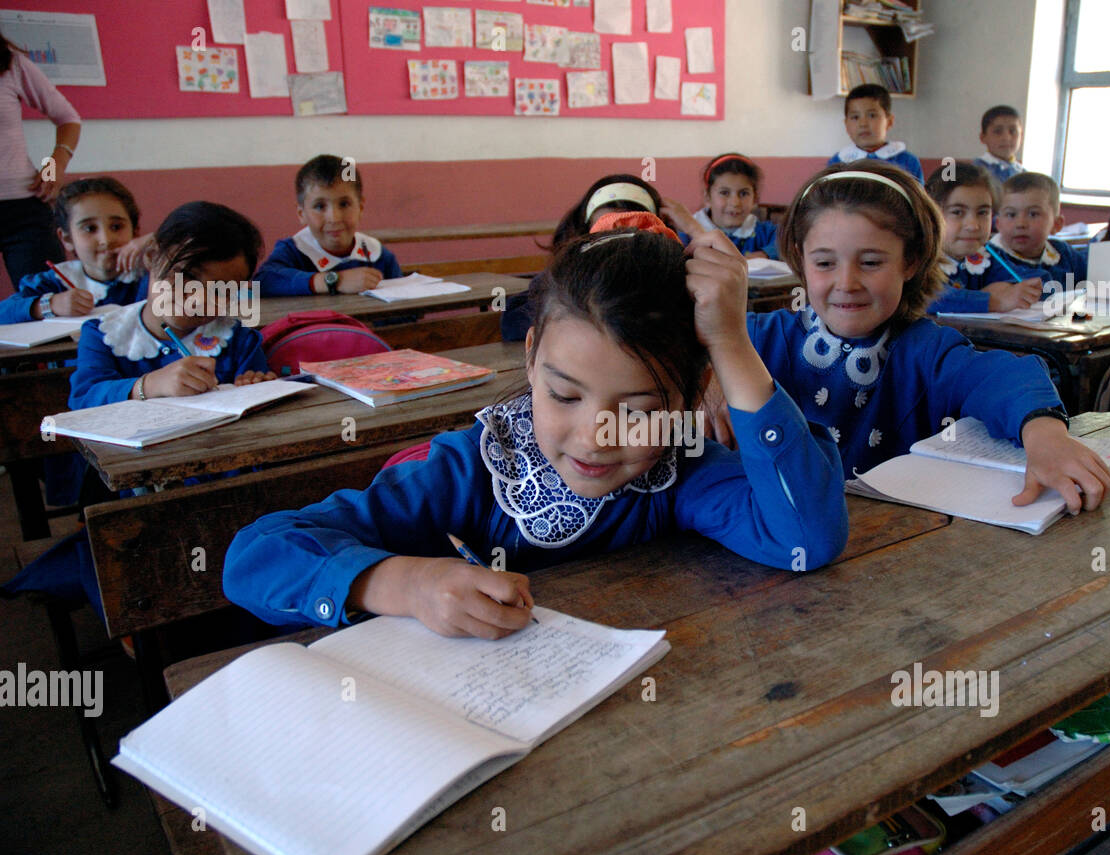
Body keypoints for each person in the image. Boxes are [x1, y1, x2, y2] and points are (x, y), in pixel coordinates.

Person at [223, 228, 850, 637]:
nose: (595, 436)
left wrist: (733, 346)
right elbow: (255, 556)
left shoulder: (677, 470)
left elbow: (806, 538)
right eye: (564, 394)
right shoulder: (470, 471)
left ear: (688, 397)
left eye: (637, 409)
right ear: (530, 359)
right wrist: (408, 584)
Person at [746, 160, 1110, 514]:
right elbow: (697, 341)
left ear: (912, 261)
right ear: (800, 257)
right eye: (825, 263)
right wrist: (714, 367)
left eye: (871, 262)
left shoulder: (924, 349)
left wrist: (1046, 438)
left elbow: (1006, 376)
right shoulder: (760, 338)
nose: (847, 283)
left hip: (896, 543)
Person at [69, 201, 277, 409]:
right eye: (187, 276)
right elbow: (83, 399)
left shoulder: (239, 341)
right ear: (151, 256)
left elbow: (255, 401)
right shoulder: (104, 335)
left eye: (220, 291)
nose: (199, 299)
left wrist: (256, 387)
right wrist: (148, 386)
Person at [500, 173, 667, 341]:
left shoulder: (667, 273)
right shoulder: (568, 273)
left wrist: (690, 227)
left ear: (656, 233)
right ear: (586, 233)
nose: (618, 241)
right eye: (606, 231)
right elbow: (512, 324)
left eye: (631, 230)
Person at [0, 177, 150, 324]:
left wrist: (160, 243)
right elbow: (4, 312)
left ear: (135, 232)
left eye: (116, 227)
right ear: (67, 239)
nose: (106, 239)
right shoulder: (55, 281)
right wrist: (50, 305)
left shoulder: (148, 275)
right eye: (90, 228)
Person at [253, 154, 403, 296]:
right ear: (301, 214)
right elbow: (263, 281)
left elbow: (403, 308)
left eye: (344, 204)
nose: (334, 218)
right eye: (319, 206)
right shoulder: (293, 251)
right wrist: (334, 280)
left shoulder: (378, 255)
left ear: (361, 208)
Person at [0, 29, 81, 289]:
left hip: (24, 209)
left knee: (50, 307)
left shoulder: (11, 63)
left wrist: (54, 164)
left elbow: (68, 118)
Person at [924, 162, 1041, 314]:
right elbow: (926, 297)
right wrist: (992, 300)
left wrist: (1012, 289)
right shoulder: (919, 259)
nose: (973, 226)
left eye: (982, 213)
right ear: (930, 215)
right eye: (957, 212)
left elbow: (1037, 279)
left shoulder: (984, 256)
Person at [661, 153, 779, 259]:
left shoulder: (763, 231)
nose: (735, 202)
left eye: (744, 193)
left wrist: (764, 254)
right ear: (707, 197)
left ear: (755, 199)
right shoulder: (686, 233)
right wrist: (694, 229)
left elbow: (786, 243)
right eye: (724, 193)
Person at [985, 171, 1088, 290]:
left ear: (1056, 224)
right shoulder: (987, 258)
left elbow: (1093, 282)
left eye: (1033, 214)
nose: (1020, 224)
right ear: (998, 224)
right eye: (1011, 214)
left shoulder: (1064, 253)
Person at [827, 84, 922, 181]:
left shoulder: (908, 161)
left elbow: (917, 195)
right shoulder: (837, 162)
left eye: (872, 115)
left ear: (889, 121)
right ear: (846, 125)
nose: (863, 124)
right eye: (855, 117)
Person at [972, 105, 1025, 183]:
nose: (1006, 138)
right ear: (983, 137)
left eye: (1013, 131)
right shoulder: (976, 171)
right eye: (997, 131)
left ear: (1021, 137)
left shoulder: (1023, 173)